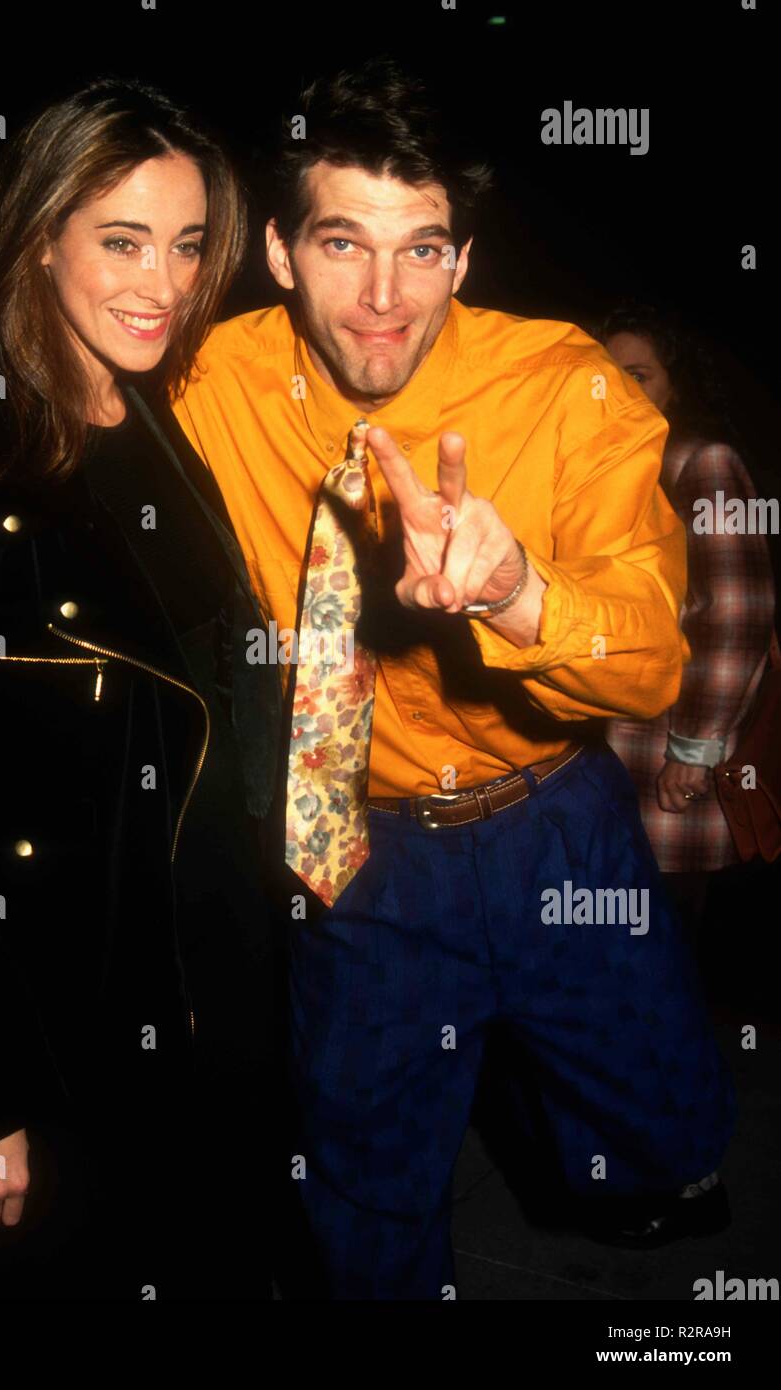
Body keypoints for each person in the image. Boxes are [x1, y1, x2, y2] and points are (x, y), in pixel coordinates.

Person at [170, 58, 737, 1299]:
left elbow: (649, 657)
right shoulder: (210, 382)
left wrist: (518, 592)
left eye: (423, 250)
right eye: (342, 244)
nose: (383, 298)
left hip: (557, 824)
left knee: (668, 1132)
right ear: (277, 250)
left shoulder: (566, 389)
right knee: (362, 1177)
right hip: (358, 842)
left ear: (464, 262)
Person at [0, 77, 282, 1300]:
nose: (165, 281)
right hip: (55, 1024)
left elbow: (206, 681)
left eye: (191, 244)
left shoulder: (162, 422)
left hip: (217, 980)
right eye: (123, 241)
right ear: (39, 238)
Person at [600, 306, 775, 930]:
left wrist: (694, 750)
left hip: (666, 764)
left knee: (664, 953)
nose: (620, 390)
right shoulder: (606, 469)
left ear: (677, 387)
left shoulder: (701, 462)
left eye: (639, 375)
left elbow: (736, 613)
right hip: (608, 764)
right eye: (607, 374)